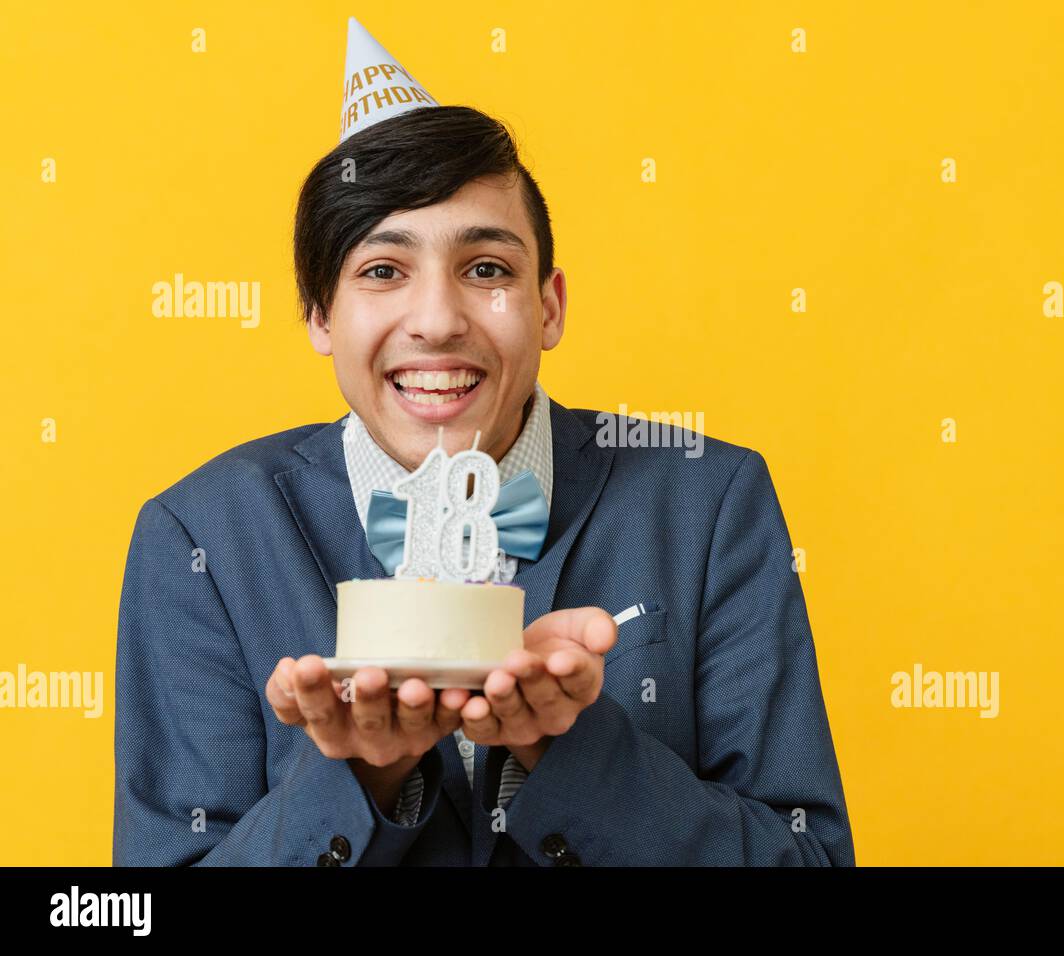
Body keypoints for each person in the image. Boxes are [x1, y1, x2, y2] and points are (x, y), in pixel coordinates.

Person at [112, 20, 853, 867]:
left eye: (488, 269)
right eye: (383, 271)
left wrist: (571, 749)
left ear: (550, 306)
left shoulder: (709, 501)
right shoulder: (202, 536)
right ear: (319, 315)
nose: (436, 321)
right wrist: (359, 777)